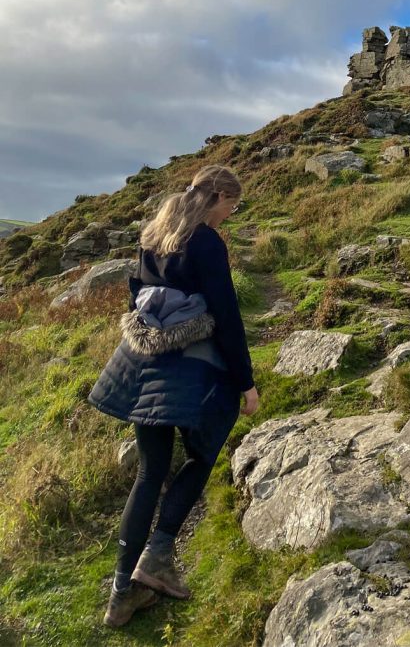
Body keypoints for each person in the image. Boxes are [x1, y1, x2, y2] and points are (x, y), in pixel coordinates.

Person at [87, 164, 259, 628]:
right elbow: (225, 313)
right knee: (202, 455)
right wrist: (246, 382)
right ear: (217, 196)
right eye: (232, 205)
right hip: (191, 366)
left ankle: (120, 594)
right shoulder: (206, 242)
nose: (231, 213)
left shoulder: (154, 235)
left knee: (150, 472)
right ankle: (157, 557)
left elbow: (135, 295)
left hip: (142, 360)